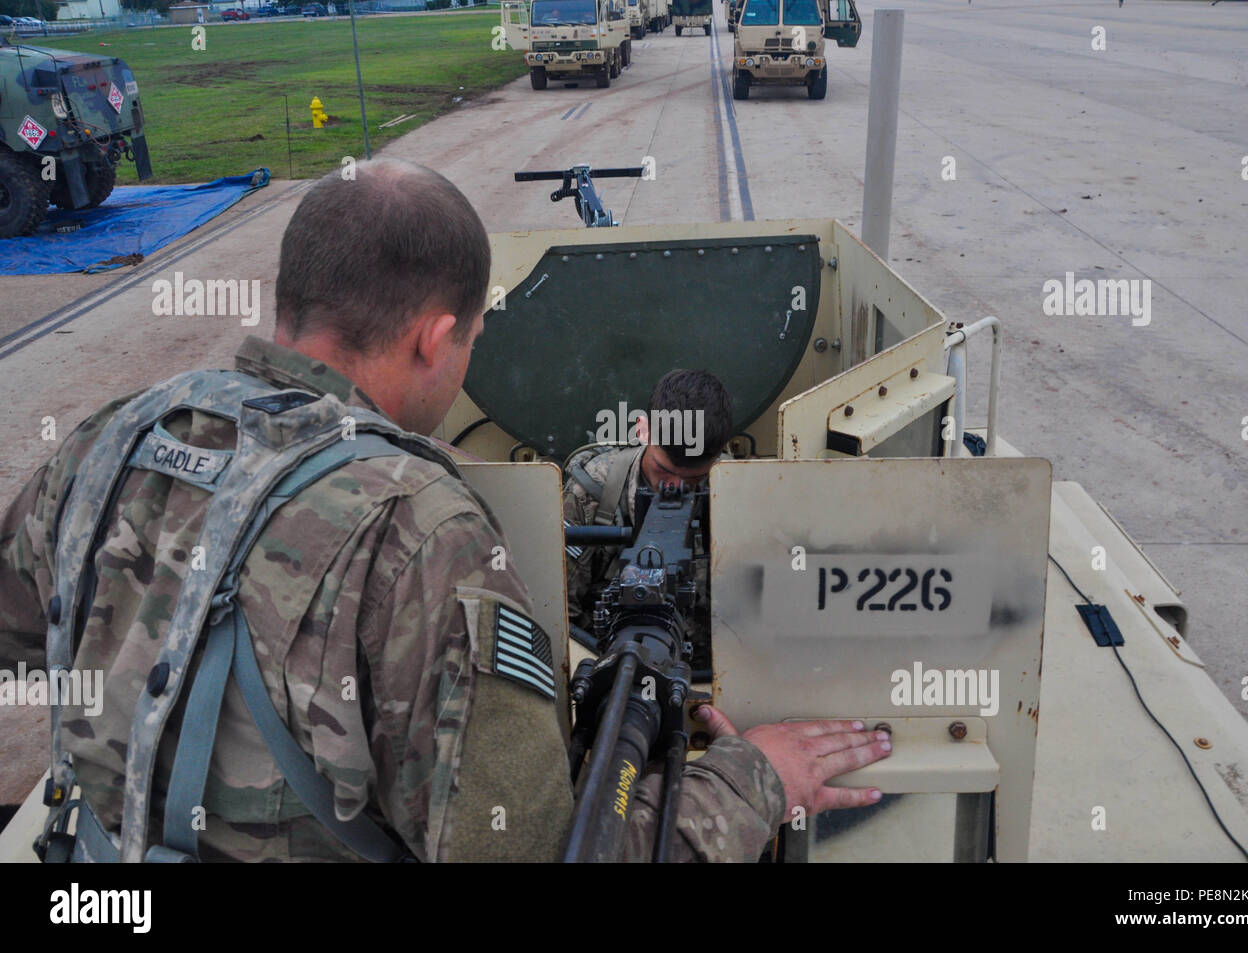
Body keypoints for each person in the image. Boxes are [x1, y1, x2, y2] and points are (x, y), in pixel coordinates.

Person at [0, 158, 890, 863]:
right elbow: (538, 852)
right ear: (435, 336)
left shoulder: (112, 438)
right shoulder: (421, 532)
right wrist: (756, 778)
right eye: (468, 339)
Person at [563, 369, 730, 638]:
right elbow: (560, 610)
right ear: (642, 429)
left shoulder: (738, 493)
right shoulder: (594, 490)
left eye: (694, 478)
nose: (675, 486)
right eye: (663, 470)